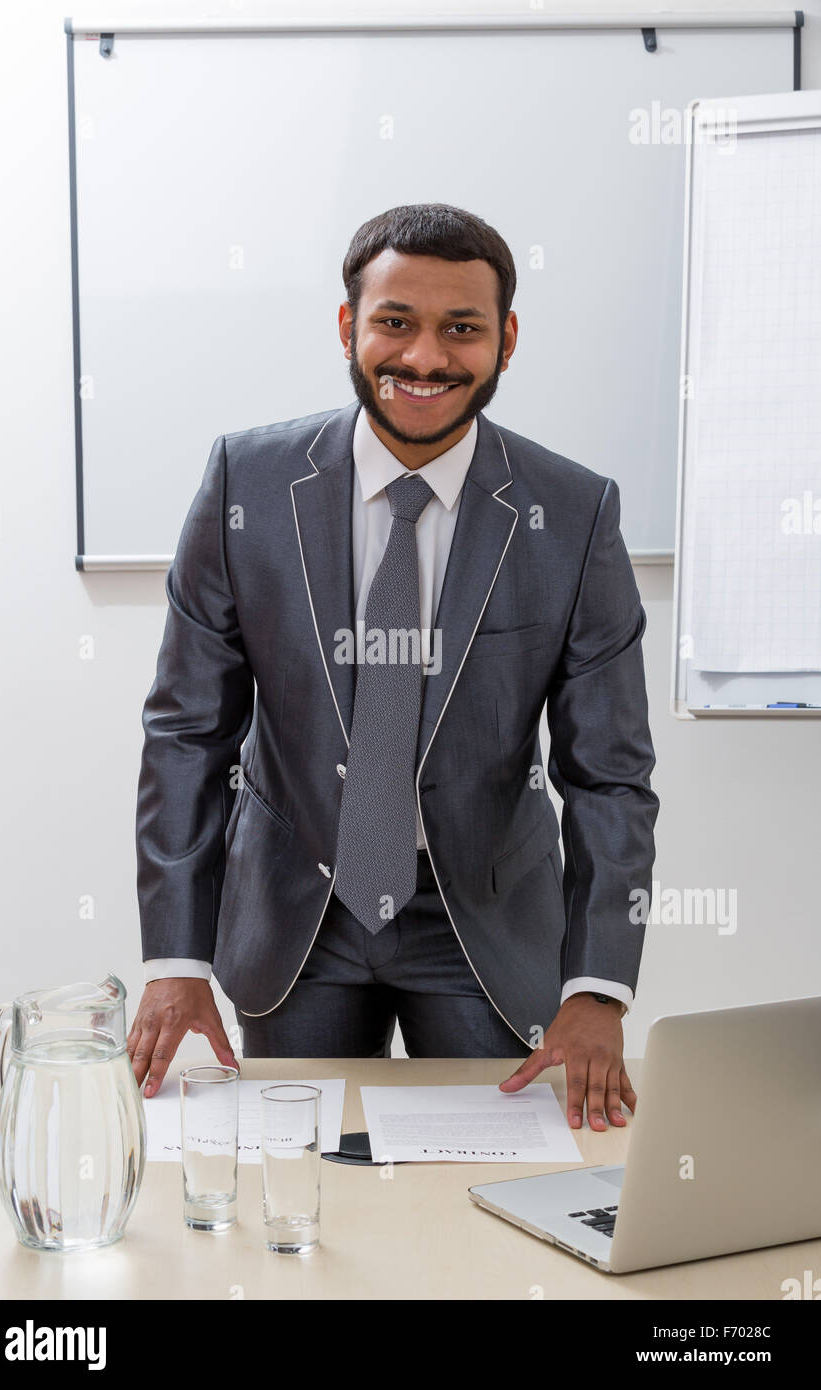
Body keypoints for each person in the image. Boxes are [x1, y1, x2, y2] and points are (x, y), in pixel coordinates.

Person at [129, 203, 659, 1132]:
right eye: (395, 322)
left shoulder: (573, 515)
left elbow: (610, 775)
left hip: (482, 917)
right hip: (298, 908)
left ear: (507, 340)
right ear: (349, 327)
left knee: (492, 1194)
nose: (425, 358)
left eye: (462, 328)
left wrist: (599, 986)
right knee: (303, 1185)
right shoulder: (242, 486)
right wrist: (177, 962)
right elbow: (186, 735)